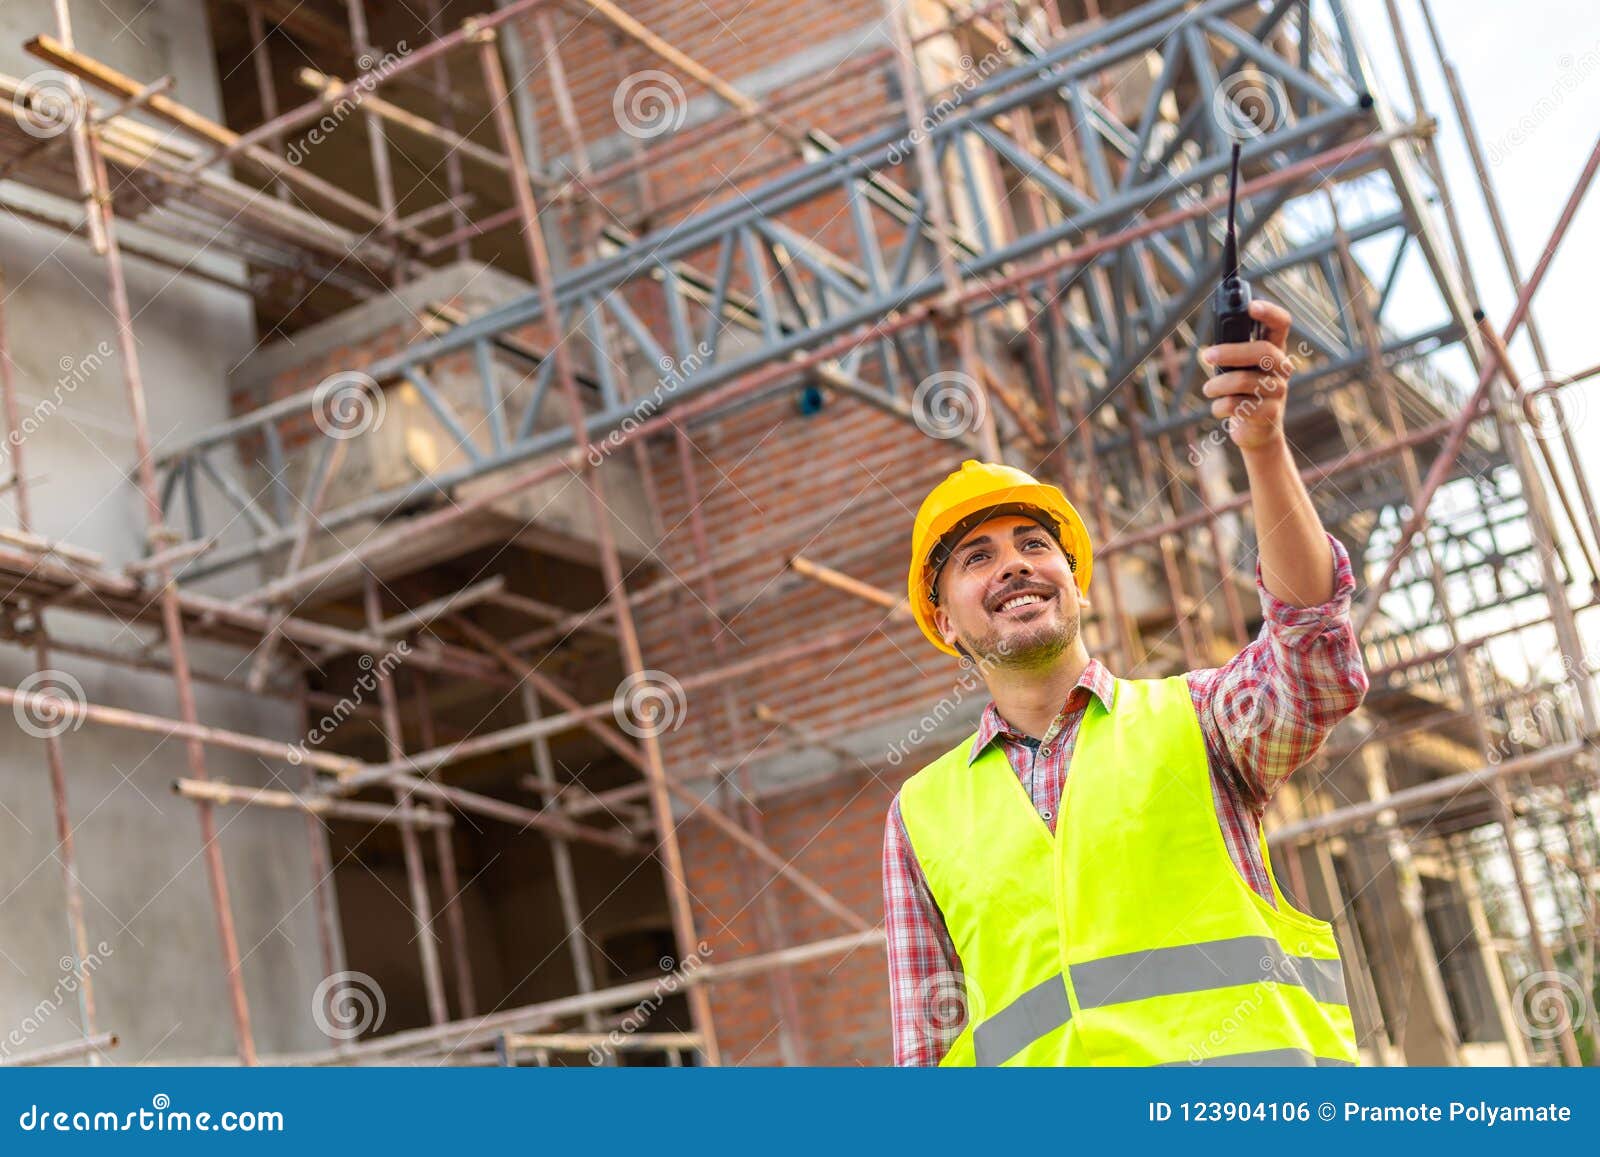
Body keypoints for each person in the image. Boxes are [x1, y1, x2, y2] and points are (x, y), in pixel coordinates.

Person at [883, 300, 1369, 1066]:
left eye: (1034, 544)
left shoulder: (1199, 718)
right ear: (944, 622)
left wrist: (1264, 446)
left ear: (1076, 589)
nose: (1012, 563)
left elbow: (1312, 661)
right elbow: (928, 1055)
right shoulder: (920, 816)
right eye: (975, 558)